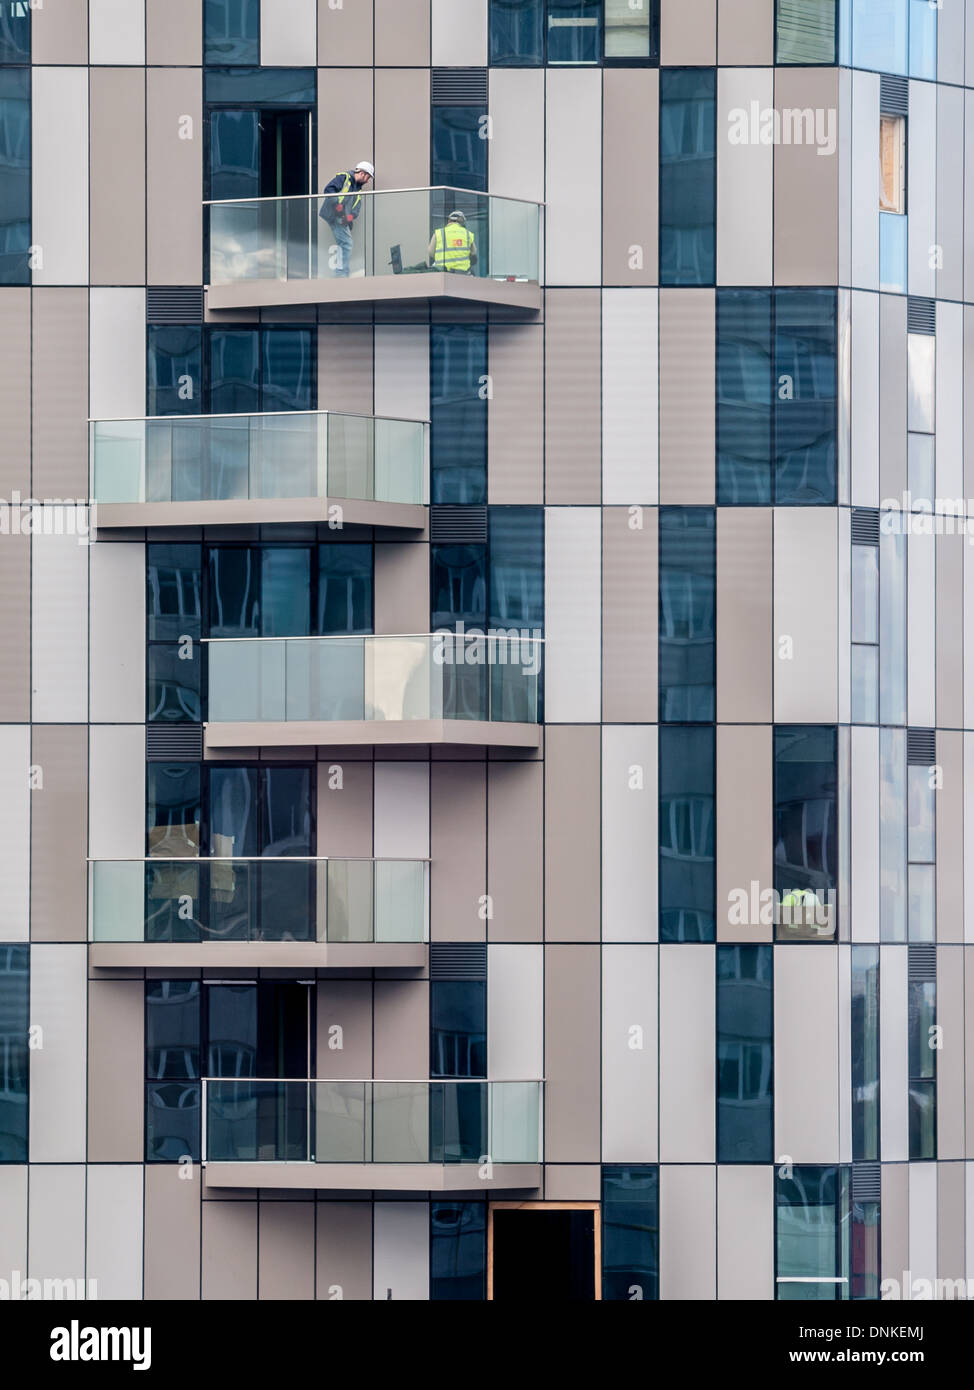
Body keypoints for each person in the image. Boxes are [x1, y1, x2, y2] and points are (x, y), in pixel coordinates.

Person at [319, 161, 374, 277]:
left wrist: (350, 217)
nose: (367, 181)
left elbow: (356, 208)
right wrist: (337, 206)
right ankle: (341, 273)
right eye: (368, 177)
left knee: (344, 243)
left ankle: (342, 271)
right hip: (334, 215)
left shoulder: (357, 189)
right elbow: (329, 190)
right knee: (346, 243)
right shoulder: (344, 178)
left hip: (342, 217)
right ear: (362, 173)